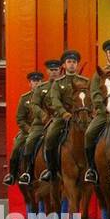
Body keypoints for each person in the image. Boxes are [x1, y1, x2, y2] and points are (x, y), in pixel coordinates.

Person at [42, 50, 89, 182]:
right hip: (63, 117)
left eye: (74, 62)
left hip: (81, 116)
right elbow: (55, 100)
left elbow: (90, 98)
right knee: (50, 137)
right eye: (69, 62)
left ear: (77, 64)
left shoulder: (85, 81)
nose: (72, 64)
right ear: (64, 65)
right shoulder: (58, 83)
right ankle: (51, 170)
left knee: (95, 134)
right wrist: (64, 113)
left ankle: (93, 168)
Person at [83, 40, 110, 184]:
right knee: (89, 134)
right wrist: (102, 109)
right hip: (104, 113)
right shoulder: (98, 74)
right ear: (106, 54)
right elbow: (94, 93)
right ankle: (92, 169)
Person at [20, 59, 61, 185]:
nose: (54, 72)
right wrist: (43, 116)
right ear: (47, 71)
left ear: (60, 70)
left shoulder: (65, 85)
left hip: (62, 120)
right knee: (30, 142)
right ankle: (28, 172)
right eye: (51, 70)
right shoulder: (41, 88)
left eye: (56, 70)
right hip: (42, 124)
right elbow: (34, 105)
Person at [5, 72, 42, 187]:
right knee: (16, 147)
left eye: (39, 81)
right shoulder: (25, 98)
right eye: (34, 81)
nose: (37, 83)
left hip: (44, 127)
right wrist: (29, 129)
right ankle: (12, 174)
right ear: (30, 83)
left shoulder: (46, 96)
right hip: (28, 130)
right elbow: (20, 118)